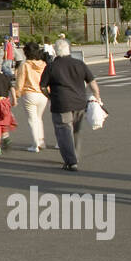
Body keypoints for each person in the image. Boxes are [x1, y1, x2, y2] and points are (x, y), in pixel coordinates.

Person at [39, 39, 103, 171]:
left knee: (64, 132)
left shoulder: (51, 66)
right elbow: (93, 83)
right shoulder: (79, 64)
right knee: (77, 131)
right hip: (80, 103)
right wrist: (97, 98)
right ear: (69, 49)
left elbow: (43, 87)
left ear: (56, 51)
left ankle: (71, 161)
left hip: (61, 104)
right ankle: (75, 156)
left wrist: (50, 97)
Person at [14, 41, 48, 152]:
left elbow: (20, 82)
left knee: (32, 120)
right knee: (39, 118)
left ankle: (35, 144)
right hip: (43, 94)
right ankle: (41, 141)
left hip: (29, 94)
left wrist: (17, 94)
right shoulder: (43, 64)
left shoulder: (25, 65)